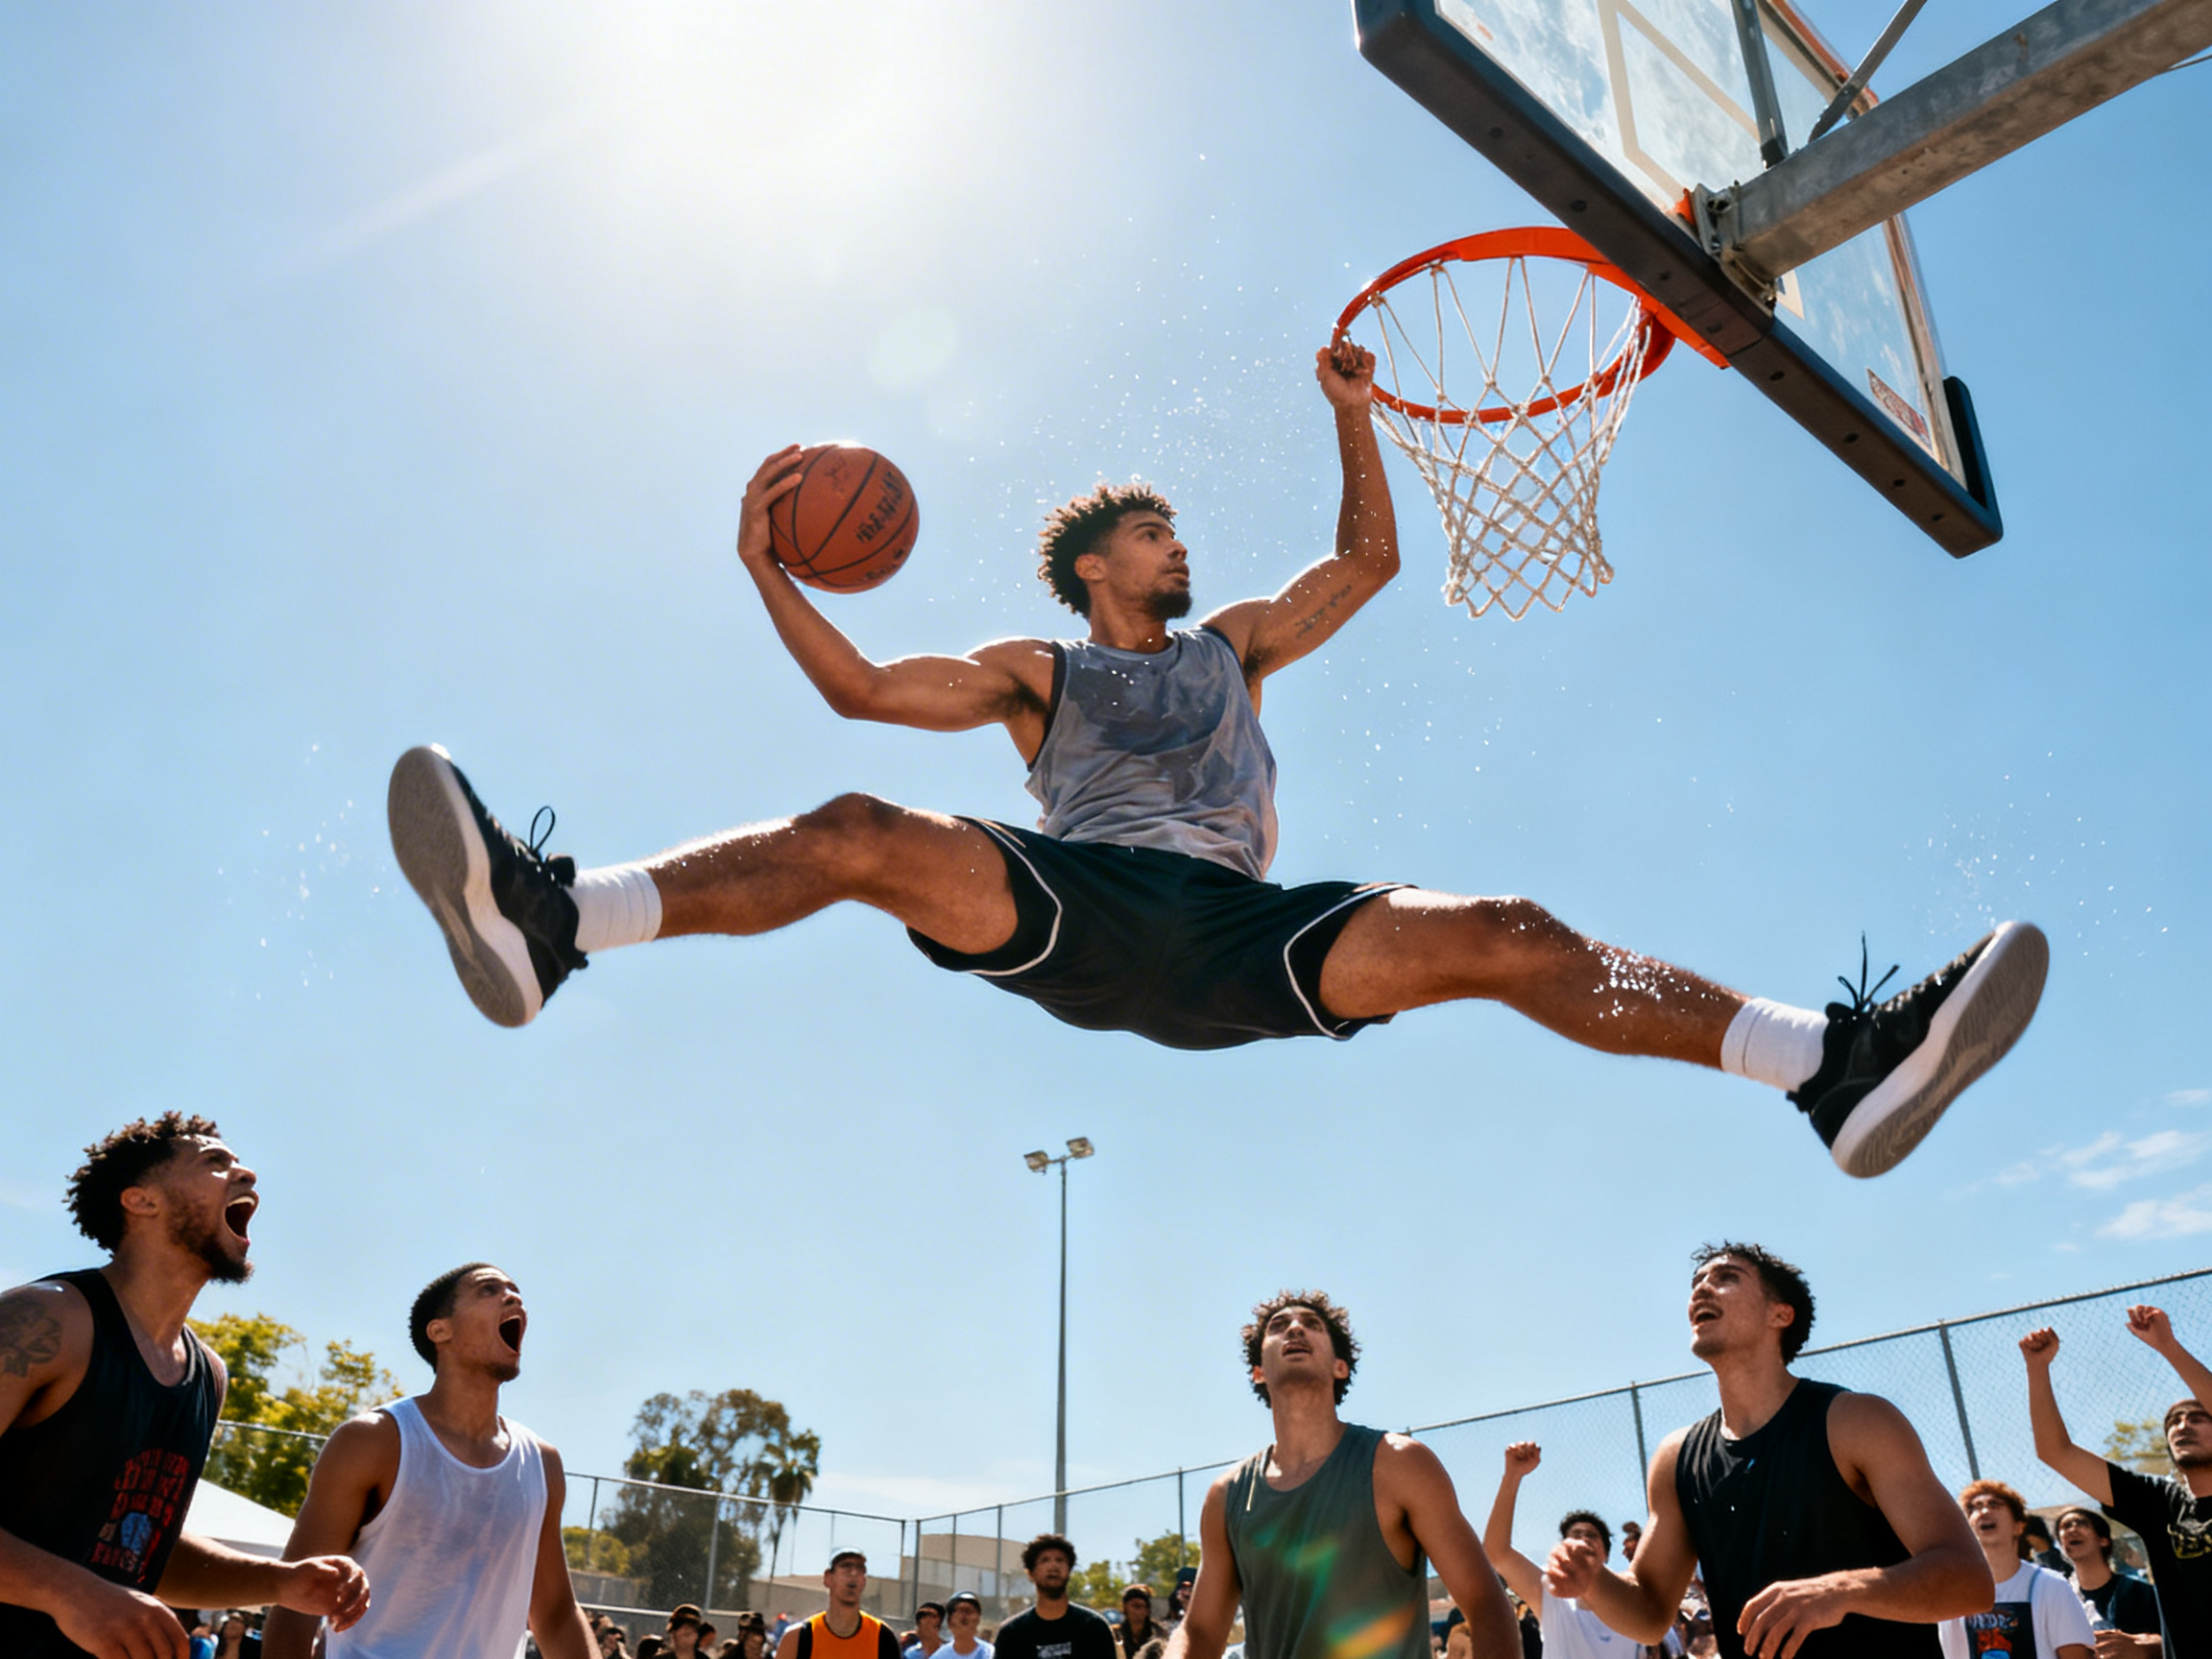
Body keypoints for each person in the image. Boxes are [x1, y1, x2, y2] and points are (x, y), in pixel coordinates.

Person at [387, 342, 2048, 1183]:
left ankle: (1825, 1066)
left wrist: (1350, 411)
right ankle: (557, 921)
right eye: (1154, 531)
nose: (1180, 543)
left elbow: (1366, 562)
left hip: (1244, 938)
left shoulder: (1235, 644)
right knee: (856, 828)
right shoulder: (1037, 674)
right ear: (1093, 565)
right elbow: (862, 692)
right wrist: (767, 570)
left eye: (1178, 528)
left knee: (1509, 930)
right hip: (1080, 901)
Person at [0, 1114, 370, 1658]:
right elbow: (82, 1584)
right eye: (214, 1161)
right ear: (141, 1200)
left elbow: (144, 1548)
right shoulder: (45, 1321)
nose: (246, 1173)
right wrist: (67, 1592)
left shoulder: (208, 1375)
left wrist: (281, 1581)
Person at [1546, 1242, 1991, 1658]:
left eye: (1726, 1277)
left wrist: (1840, 1591)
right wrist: (1594, 1581)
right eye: (1696, 1282)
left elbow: (1969, 1580)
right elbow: (1648, 1615)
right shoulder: (1675, 1458)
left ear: (1780, 1314)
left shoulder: (1856, 1421)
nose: (1701, 1288)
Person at [263, 1262, 593, 1659]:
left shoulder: (541, 1463)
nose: (514, 1298)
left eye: (515, 1290)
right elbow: (294, 1611)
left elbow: (556, 1615)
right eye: (489, 1289)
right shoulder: (372, 1441)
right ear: (439, 1330)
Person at [1167, 1291, 1519, 1659]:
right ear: (1259, 1372)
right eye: (1279, 1326)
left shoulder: (1400, 1464)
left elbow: (1486, 1603)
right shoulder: (1227, 1496)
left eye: (1312, 1324)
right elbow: (1200, 1632)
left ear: (1340, 1366)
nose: (1296, 1328)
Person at [2024, 1305, 2212, 1658]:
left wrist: (2168, 1346)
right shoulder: (2160, 1502)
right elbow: (2055, 1452)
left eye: (2197, 1418)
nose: (2181, 1426)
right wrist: (2037, 1369)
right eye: (2173, 1422)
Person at [1483, 1444, 1643, 1657]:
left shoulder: (1630, 1603)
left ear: (1605, 1554)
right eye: (1575, 1536)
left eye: (1591, 1536)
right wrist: (1512, 1475)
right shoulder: (1553, 1599)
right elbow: (1497, 1553)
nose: (1582, 1541)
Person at [1935, 1479, 2092, 1659]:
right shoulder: (1951, 1597)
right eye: (1975, 1507)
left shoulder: (2052, 1585)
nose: (1984, 1511)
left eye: (1994, 1504)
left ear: (2019, 1526)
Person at [2052, 1507, 2161, 1651]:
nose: (2072, 1530)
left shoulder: (2141, 1593)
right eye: (2065, 1526)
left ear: (2103, 1540)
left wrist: (2143, 1647)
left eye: (2081, 1523)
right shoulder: (2060, 1603)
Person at [994, 1535, 1115, 1659]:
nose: (1053, 1567)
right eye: (1044, 1560)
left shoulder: (1094, 1627)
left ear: (1069, 1571)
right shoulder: (1011, 1634)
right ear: (1030, 1573)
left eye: (1060, 1560)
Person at [774, 1552, 901, 1659]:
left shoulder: (882, 1637)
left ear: (864, 1581)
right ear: (828, 1578)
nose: (853, 1573)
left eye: (860, 1568)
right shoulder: (797, 1638)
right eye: (846, 1566)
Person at [943, 1592, 993, 1659]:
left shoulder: (991, 1654)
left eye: (969, 1611)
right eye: (961, 1611)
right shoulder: (939, 1656)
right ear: (949, 1621)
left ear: (978, 1619)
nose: (965, 1617)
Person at [1116, 1588, 1162, 1659]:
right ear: (1125, 1609)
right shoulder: (1116, 1636)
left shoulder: (1159, 1635)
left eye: (1140, 1606)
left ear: (1147, 1611)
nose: (1137, 1611)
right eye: (1135, 1606)